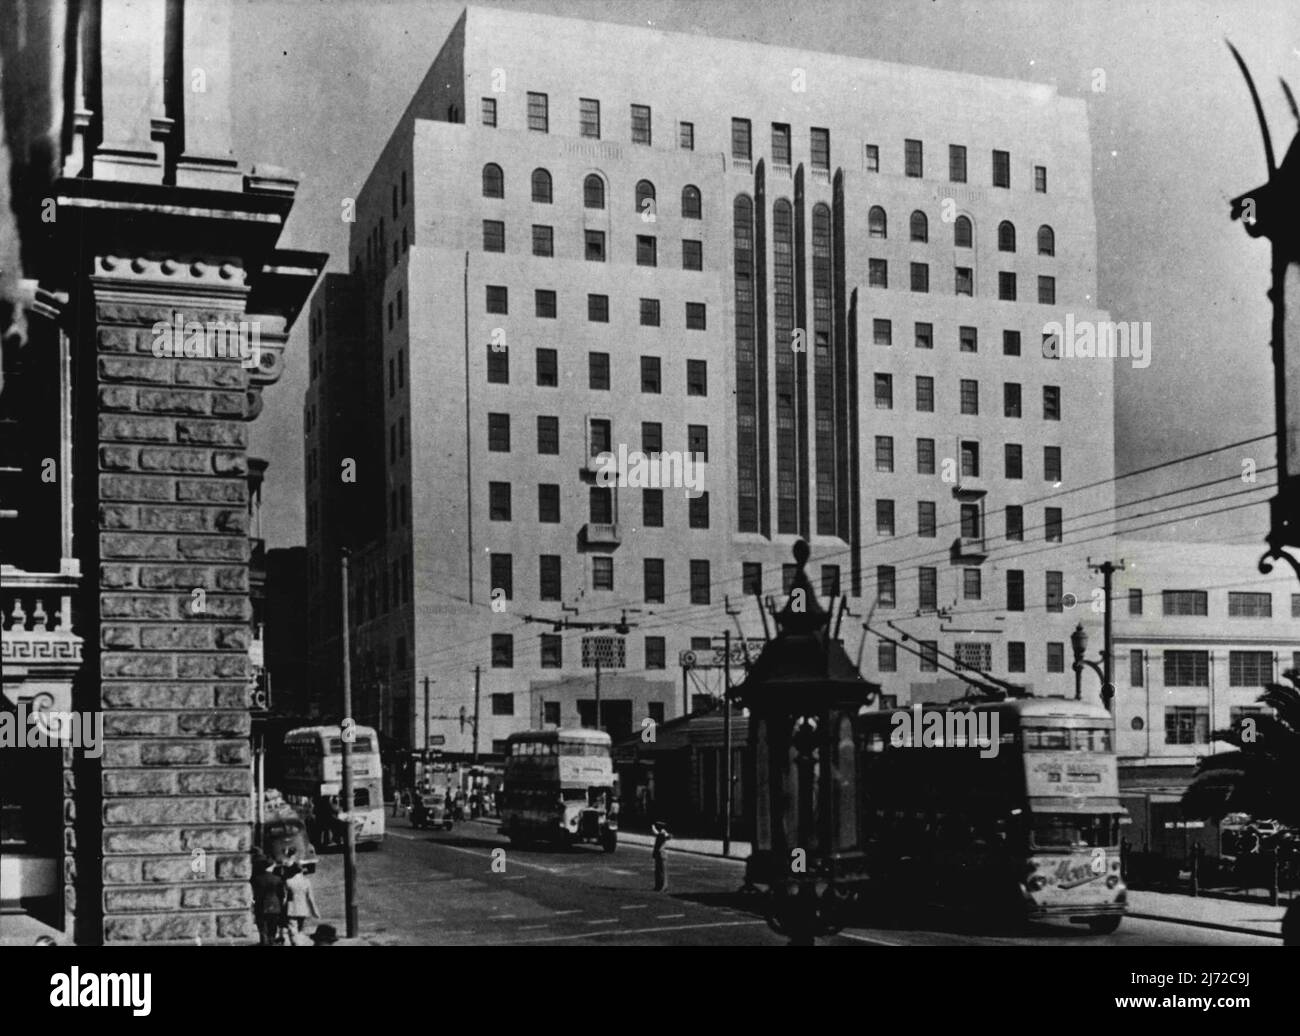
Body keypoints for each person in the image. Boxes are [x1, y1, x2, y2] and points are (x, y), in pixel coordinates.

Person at [283, 851, 320, 943]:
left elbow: (284, 898)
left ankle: (296, 944)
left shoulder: (288, 882)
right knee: (300, 930)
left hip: (291, 909)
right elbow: (310, 898)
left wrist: (282, 909)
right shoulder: (306, 881)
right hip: (303, 909)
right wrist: (314, 911)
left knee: (292, 930)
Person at [250, 852, 285, 946]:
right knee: (272, 927)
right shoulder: (278, 879)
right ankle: (272, 941)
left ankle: (264, 942)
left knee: (262, 927)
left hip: (261, 905)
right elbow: (281, 895)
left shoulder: (258, 879)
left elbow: (255, 893)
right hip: (275, 905)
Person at [652, 821, 672, 892]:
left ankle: (662, 887)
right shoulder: (663, 834)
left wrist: (653, 826)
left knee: (661, 872)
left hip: (661, 854)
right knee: (658, 872)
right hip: (660, 854)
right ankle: (659, 886)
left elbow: (655, 832)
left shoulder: (662, 834)